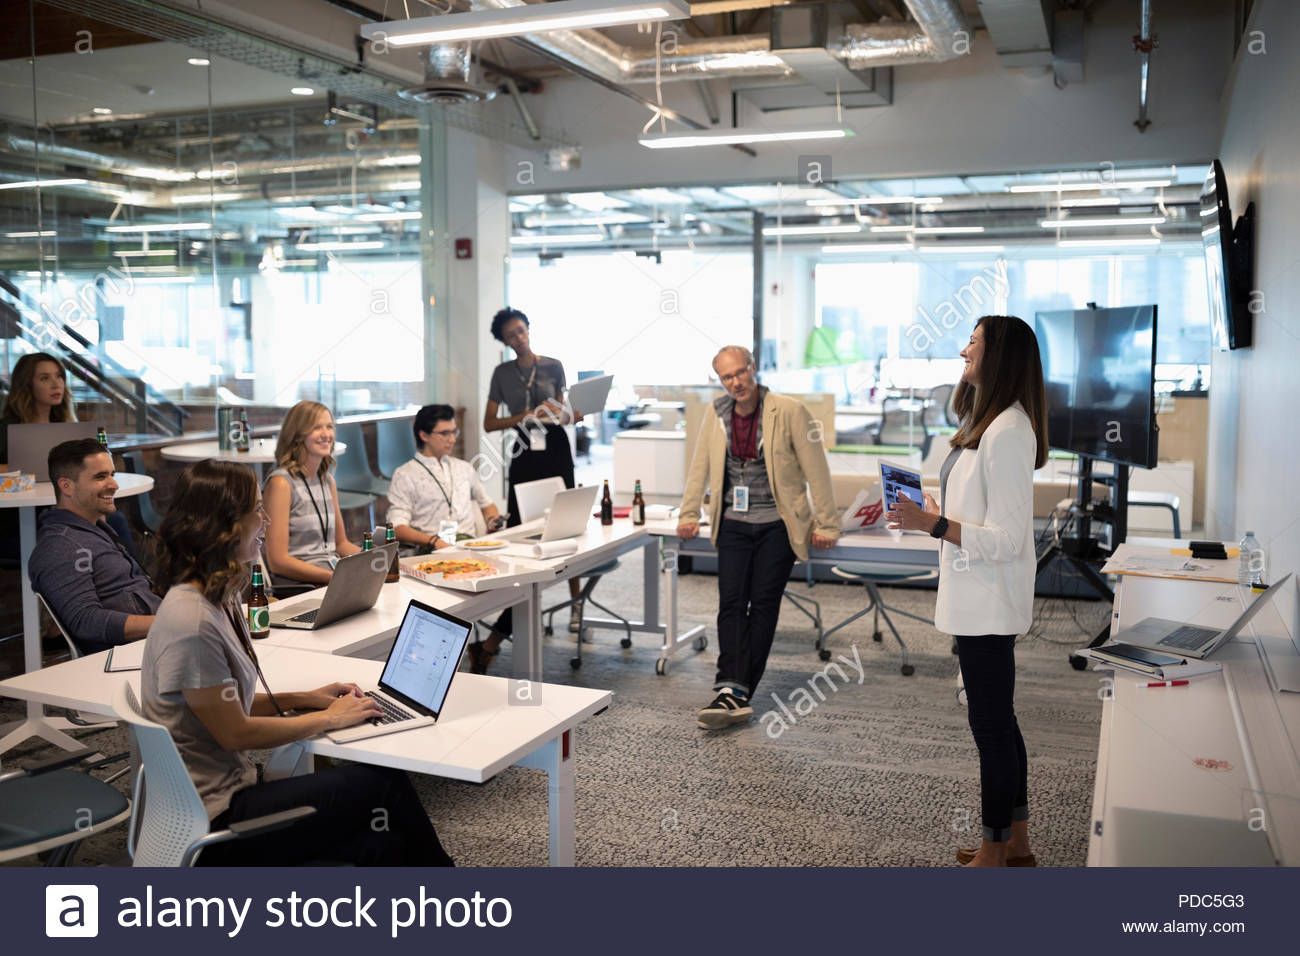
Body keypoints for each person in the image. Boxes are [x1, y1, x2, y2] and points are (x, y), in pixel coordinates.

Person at [142, 458, 454, 866]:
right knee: (383, 785)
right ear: (224, 526)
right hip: (217, 822)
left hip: (224, 797)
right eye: (257, 510)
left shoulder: (216, 598)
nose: (268, 520)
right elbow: (234, 731)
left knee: (385, 845)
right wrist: (331, 718)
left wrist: (308, 699)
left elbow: (222, 705)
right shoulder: (193, 621)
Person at [885, 315, 1048, 868]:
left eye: (973, 343)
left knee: (991, 728)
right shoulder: (991, 422)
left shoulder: (1008, 432)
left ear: (998, 356)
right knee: (1001, 720)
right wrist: (937, 514)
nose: (962, 351)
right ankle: (1017, 844)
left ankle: (993, 851)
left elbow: (1007, 540)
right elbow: (980, 516)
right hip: (975, 596)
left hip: (989, 603)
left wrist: (931, 526)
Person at [678, 345, 839, 730]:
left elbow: (817, 470)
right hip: (733, 521)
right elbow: (699, 467)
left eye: (740, 373)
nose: (735, 382)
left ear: (754, 368)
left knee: (762, 605)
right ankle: (733, 689)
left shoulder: (788, 410)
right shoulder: (716, 415)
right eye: (726, 377)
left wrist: (828, 524)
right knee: (731, 603)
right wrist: (688, 514)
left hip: (777, 525)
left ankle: (734, 691)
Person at [479, 307, 583, 671]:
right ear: (504, 341)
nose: (518, 338)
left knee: (566, 522)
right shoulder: (502, 374)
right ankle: (520, 599)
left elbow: (572, 411)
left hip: (555, 446)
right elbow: (490, 423)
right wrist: (521, 417)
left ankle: (575, 605)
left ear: (528, 329)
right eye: (511, 335)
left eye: (521, 331)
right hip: (523, 449)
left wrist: (564, 413)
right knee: (522, 527)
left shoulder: (553, 366)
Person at [28, 438, 161, 655]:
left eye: (112, 475)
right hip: (132, 656)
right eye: (100, 477)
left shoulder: (94, 528)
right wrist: (167, 623)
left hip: (155, 643)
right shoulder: (61, 546)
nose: (114, 485)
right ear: (66, 486)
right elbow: (86, 621)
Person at [1, 351, 135, 561]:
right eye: (45, 378)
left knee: (114, 519)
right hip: (19, 522)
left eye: (59, 376)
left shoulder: (67, 429)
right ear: (27, 385)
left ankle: (135, 583)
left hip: (63, 509)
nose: (56, 384)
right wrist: (21, 468)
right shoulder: (7, 429)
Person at [263, 400, 360, 589]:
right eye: (316, 428)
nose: (326, 434)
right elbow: (278, 561)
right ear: (297, 435)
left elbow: (340, 545)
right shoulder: (281, 484)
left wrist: (376, 560)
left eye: (329, 427)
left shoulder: (327, 481)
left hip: (329, 578)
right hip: (301, 586)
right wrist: (333, 577)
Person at [387, 403, 504, 550]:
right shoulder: (405, 475)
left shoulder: (464, 468)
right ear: (424, 435)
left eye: (454, 432)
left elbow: (487, 504)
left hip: (470, 547)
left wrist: (492, 521)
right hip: (432, 550)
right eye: (445, 433)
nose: (452, 439)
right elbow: (397, 527)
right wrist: (433, 541)